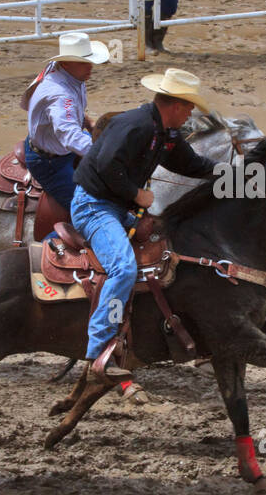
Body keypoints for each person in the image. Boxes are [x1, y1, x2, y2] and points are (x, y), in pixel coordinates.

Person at [70, 68, 219, 389]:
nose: (191, 112)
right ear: (175, 105)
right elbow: (107, 165)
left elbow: (192, 164)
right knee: (122, 269)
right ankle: (100, 353)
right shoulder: (135, 125)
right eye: (189, 106)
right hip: (94, 207)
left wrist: (233, 175)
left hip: (120, 208)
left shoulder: (166, 134)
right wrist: (137, 194)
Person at [21, 32, 111, 216]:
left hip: (59, 145)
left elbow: (71, 113)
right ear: (66, 63)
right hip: (51, 162)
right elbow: (70, 137)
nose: (90, 66)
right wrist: (108, 154)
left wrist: (89, 123)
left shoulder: (69, 74)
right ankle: (52, 242)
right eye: (83, 61)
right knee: (89, 213)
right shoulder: (60, 94)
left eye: (89, 60)